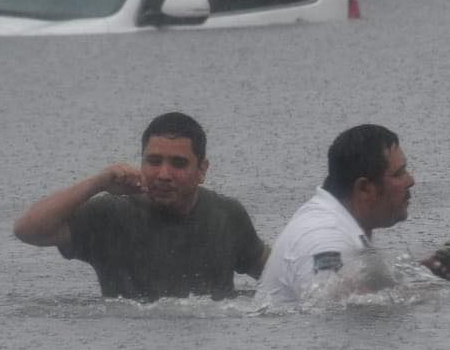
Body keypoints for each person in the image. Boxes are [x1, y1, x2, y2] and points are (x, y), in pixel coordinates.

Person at [13, 112, 268, 300]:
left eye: (178, 164)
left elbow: (276, 271)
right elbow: (28, 229)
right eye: (154, 161)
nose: (163, 174)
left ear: (202, 170)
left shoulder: (226, 215)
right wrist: (97, 183)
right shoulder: (110, 215)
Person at [255, 123, 450, 306]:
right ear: (364, 189)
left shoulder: (336, 220)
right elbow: (330, 306)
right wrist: (430, 294)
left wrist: (419, 275)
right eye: (398, 174)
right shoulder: (325, 239)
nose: (411, 180)